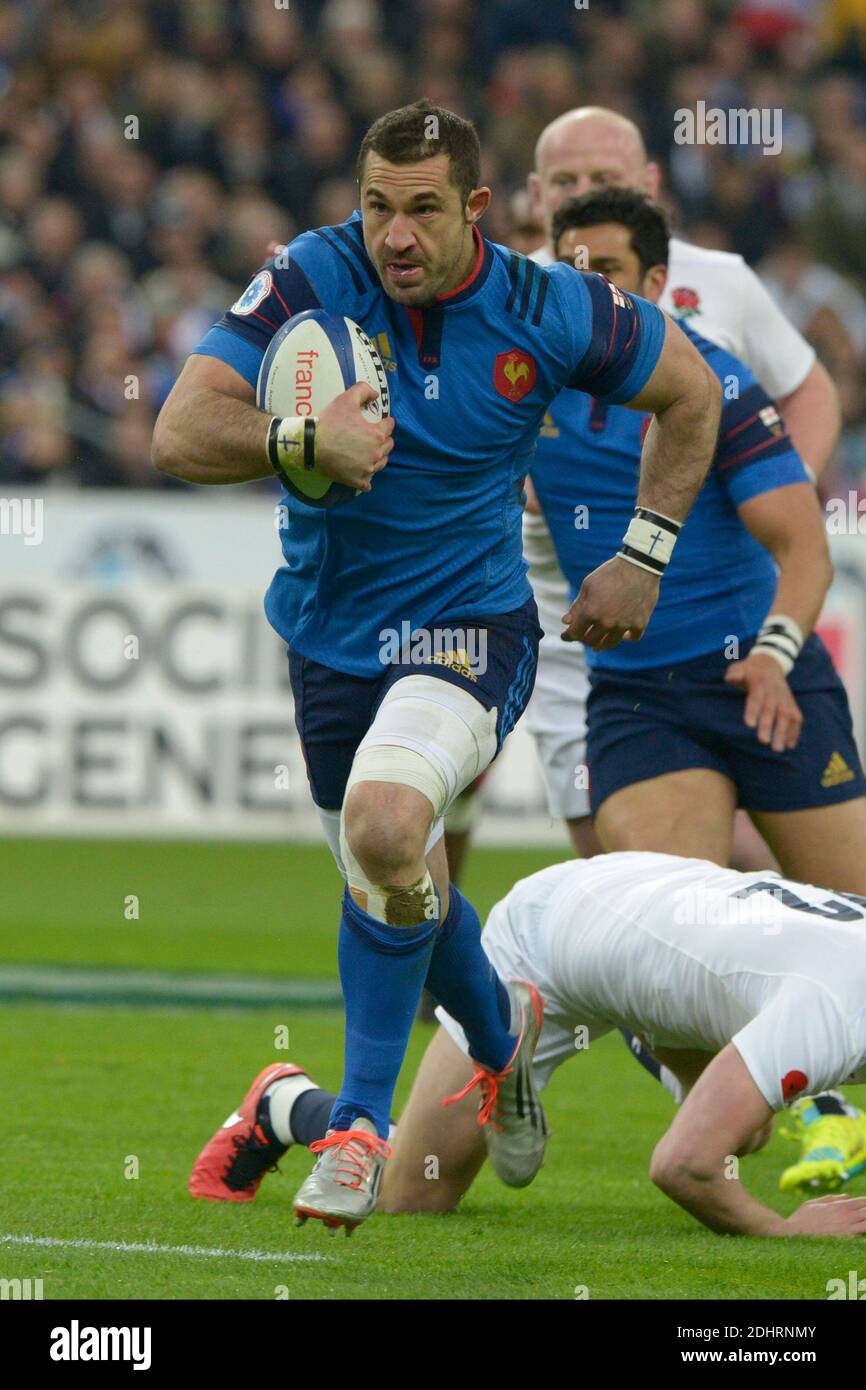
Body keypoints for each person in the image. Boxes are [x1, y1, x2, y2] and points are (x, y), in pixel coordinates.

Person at [154, 99, 722, 1233]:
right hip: (325, 640)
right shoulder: (311, 277)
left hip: (470, 629)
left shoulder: (546, 304)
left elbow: (689, 393)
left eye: (421, 209)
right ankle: (502, 1047)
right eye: (375, 206)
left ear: (473, 210)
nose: (394, 235)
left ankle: (355, 1126)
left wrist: (643, 555)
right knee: (402, 878)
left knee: (382, 829)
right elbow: (177, 431)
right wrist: (294, 440)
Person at [534, 188, 866, 1183]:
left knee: (855, 929)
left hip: (763, 673)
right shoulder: (522, 388)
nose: (585, 290)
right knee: (663, 961)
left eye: (605, 273)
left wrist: (769, 651)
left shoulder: (712, 382)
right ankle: (719, 1112)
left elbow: (801, 545)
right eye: (567, 271)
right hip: (637, 697)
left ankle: (831, 1104)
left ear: (650, 287)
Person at [189, 850, 866, 1238]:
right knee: (411, 1195)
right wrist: (786, 1230)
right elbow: (678, 1167)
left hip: (646, 916)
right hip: (546, 937)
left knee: (742, 1139)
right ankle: (287, 1103)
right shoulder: (838, 1008)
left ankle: (639, 1008)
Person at [524, 107, 841, 866]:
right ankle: (462, 985)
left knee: (845, 917)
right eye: (566, 182)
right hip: (583, 643)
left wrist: (759, 481)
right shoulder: (518, 315)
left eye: (601, 179)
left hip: (745, 643)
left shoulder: (719, 315)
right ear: (537, 196)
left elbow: (810, 410)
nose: (589, 293)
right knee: (644, 907)